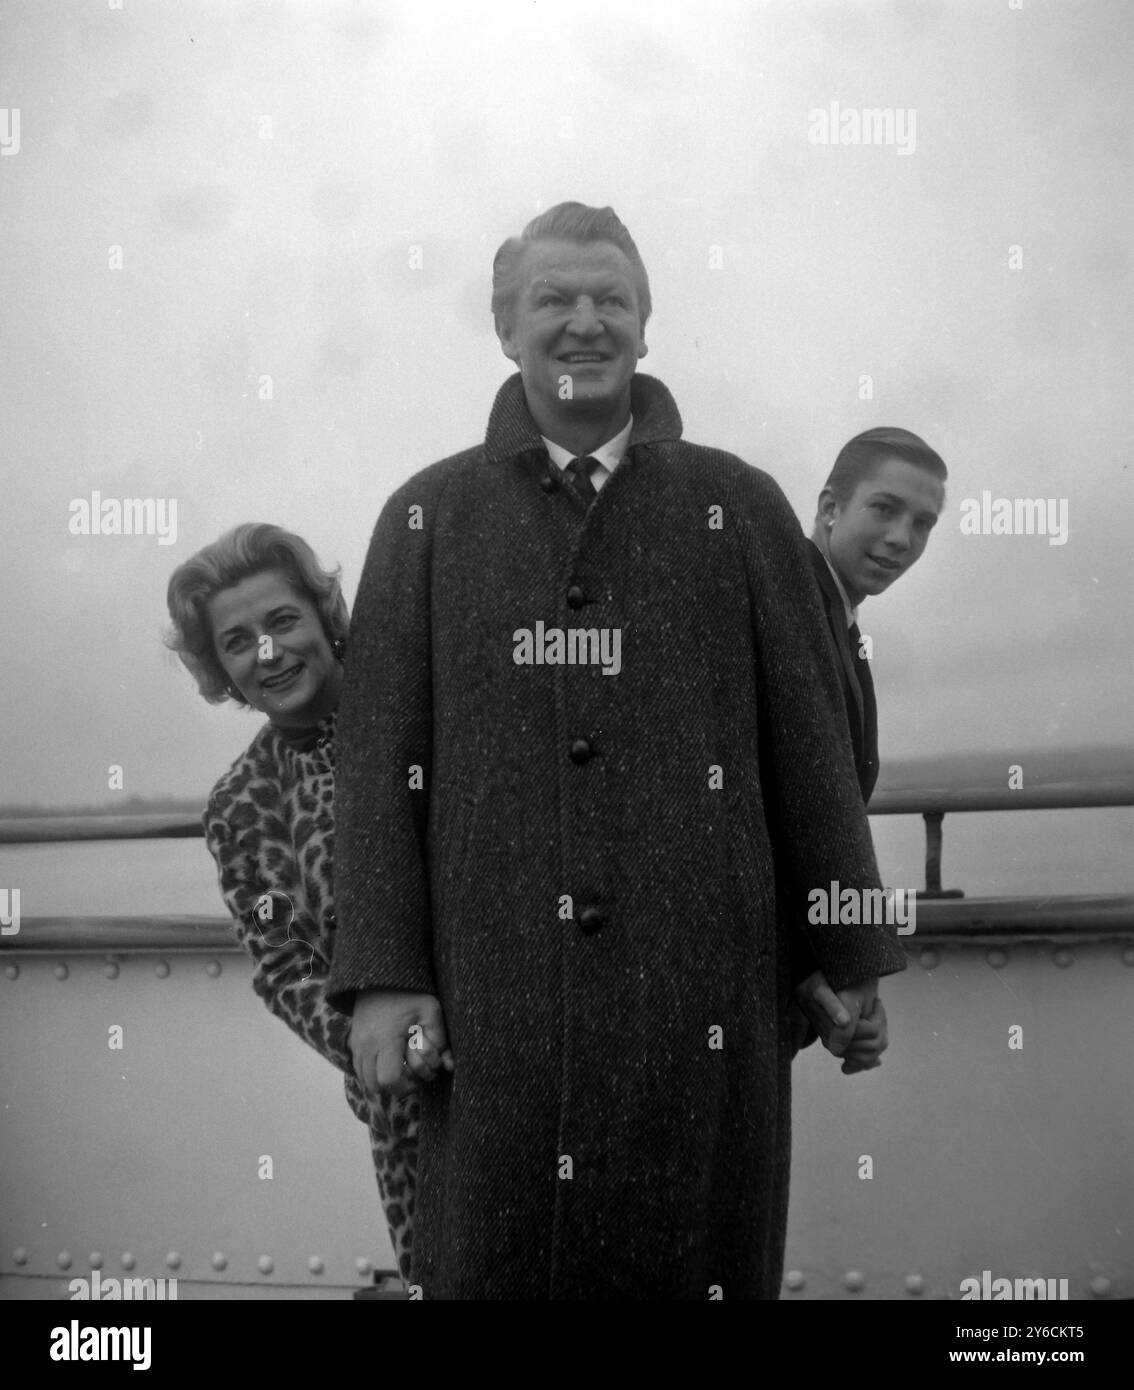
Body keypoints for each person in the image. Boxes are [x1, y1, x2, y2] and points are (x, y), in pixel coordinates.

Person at [328, 202, 908, 1300]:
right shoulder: (427, 517)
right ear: (507, 327)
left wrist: (845, 949)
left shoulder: (739, 505)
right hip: (494, 991)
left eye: (612, 300)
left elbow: (813, 752)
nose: (584, 321)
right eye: (554, 299)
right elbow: (377, 765)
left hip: (707, 990)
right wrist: (385, 976)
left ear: (647, 326)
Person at [165, 523, 425, 1286]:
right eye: (239, 641)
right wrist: (392, 1049)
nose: (268, 654)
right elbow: (287, 969)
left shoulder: (426, 713)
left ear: (323, 616)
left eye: (282, 622)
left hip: (538, 1052)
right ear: (220, 667)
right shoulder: (243, 805)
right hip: (414, 1104)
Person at [792, 429, 947, 1069]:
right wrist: (838, 963)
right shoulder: (794, 608)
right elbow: (791, 806)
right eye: (883, 509)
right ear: (831, 508)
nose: (901, 539)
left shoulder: (834, 615)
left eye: (922, 523)